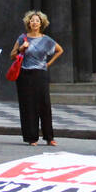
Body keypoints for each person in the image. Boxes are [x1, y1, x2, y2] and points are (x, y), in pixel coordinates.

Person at [11, 9, 63, 146]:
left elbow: (59, 50)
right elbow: (12, 55)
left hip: (40, 73)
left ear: (41, 23)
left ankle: (49, 137)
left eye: (37, 21)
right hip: (24, 74)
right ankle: (31, 137)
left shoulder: (46, 40)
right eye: (32, 20)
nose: (34, 22)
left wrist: (48, 63)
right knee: (28, 106)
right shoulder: (22, 38)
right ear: (28, 22)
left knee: (44, 104)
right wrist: (21, 48)